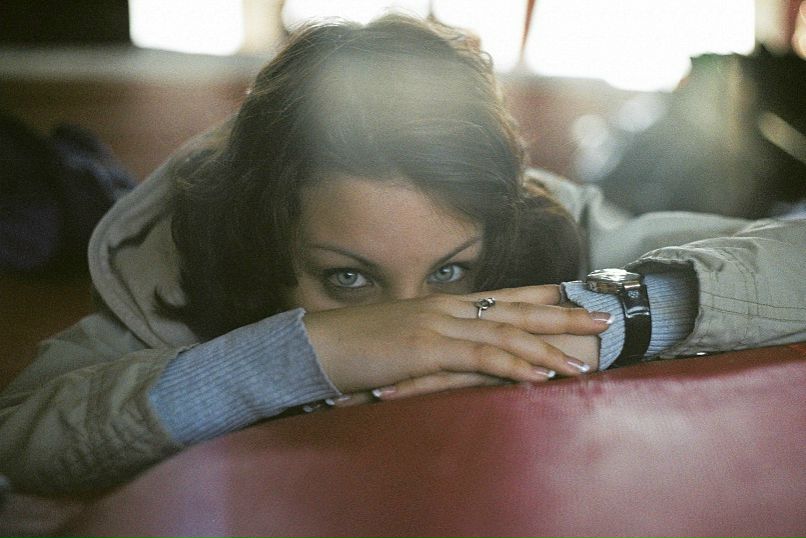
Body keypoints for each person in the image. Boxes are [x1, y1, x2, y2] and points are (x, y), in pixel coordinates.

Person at [1, 14, 805, 496]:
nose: (416, 327)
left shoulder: (533, 221)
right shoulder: (182, 261)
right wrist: (300, 354)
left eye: (451, 271)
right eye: (349, 277)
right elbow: (21, 444)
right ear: (266, 241)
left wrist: (598, 317)